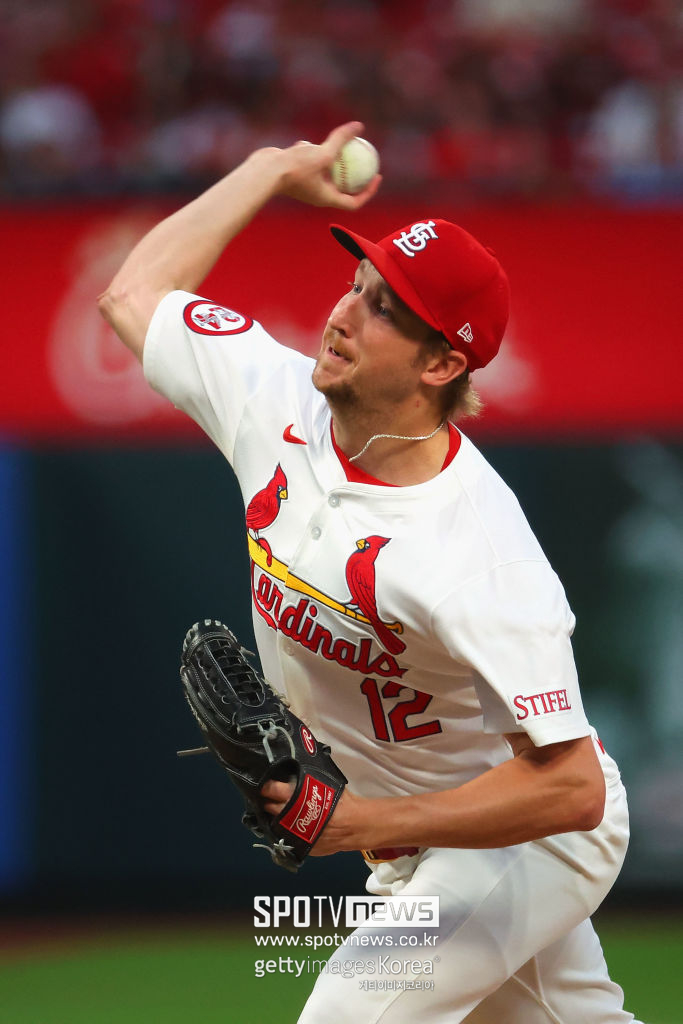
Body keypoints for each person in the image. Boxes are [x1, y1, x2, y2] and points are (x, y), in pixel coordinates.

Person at [99, 122, 640, 1023]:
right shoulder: (272, 397)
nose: (344, 312)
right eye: (356, 285)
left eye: (385, 307)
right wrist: (268, 169)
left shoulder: (477, 548)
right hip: (416, 844)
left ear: (442, 362)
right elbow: (133, 293)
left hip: (529, 839)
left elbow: (570, 787)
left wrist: (358, 826)